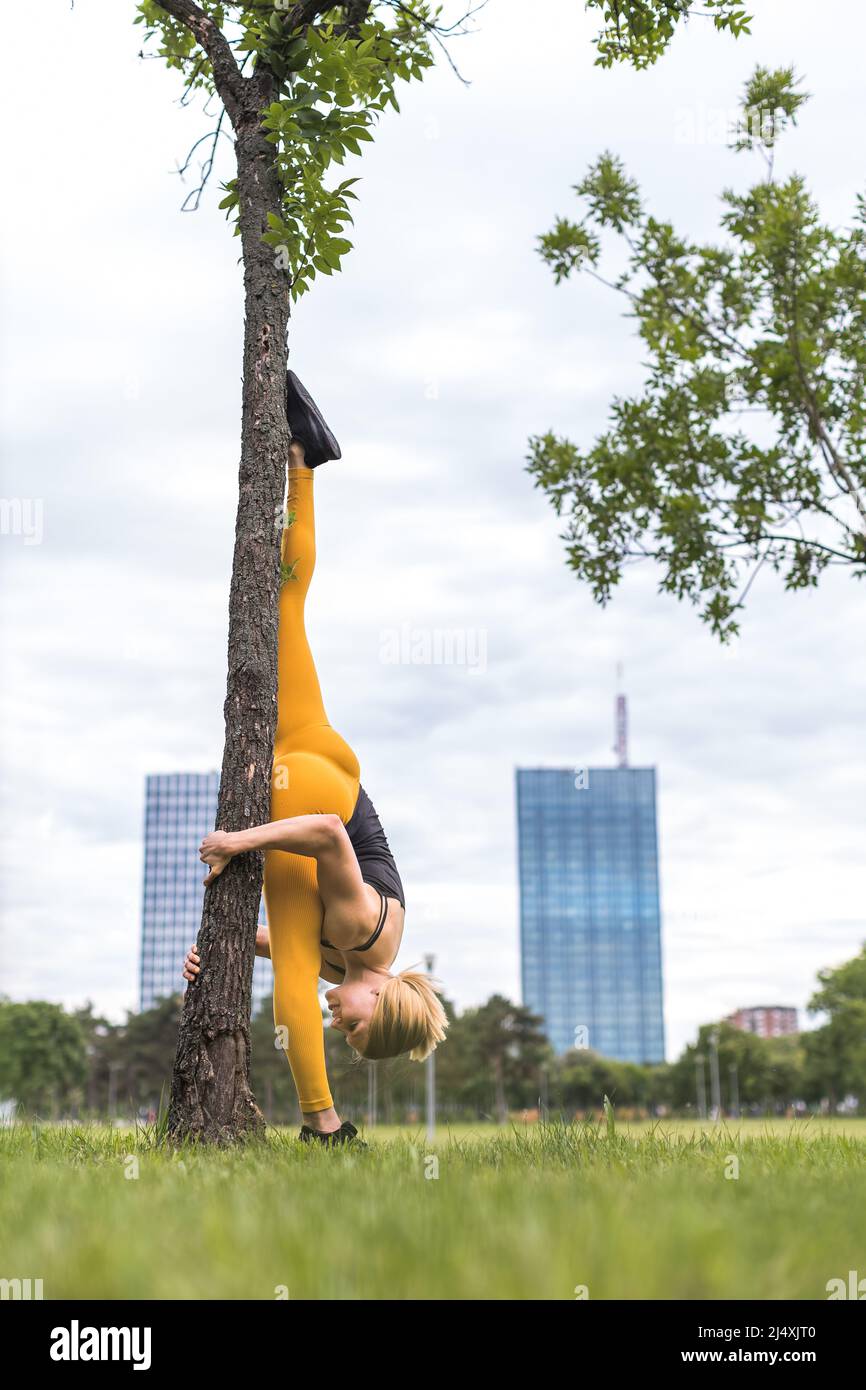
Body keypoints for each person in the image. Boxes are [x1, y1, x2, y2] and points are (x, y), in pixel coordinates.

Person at [183, 372, 447, 1145]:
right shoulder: (371, 934)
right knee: (296, 974)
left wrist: (217, 948)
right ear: (386, 1002)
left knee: (283, 600)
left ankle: (303, 458)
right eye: (359, 1031)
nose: (345, 1026)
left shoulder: (350, 963)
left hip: (321, 760)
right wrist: (238, 842)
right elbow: (330, 835)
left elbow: (273, 939)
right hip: (316, 782)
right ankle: (323, 1125)